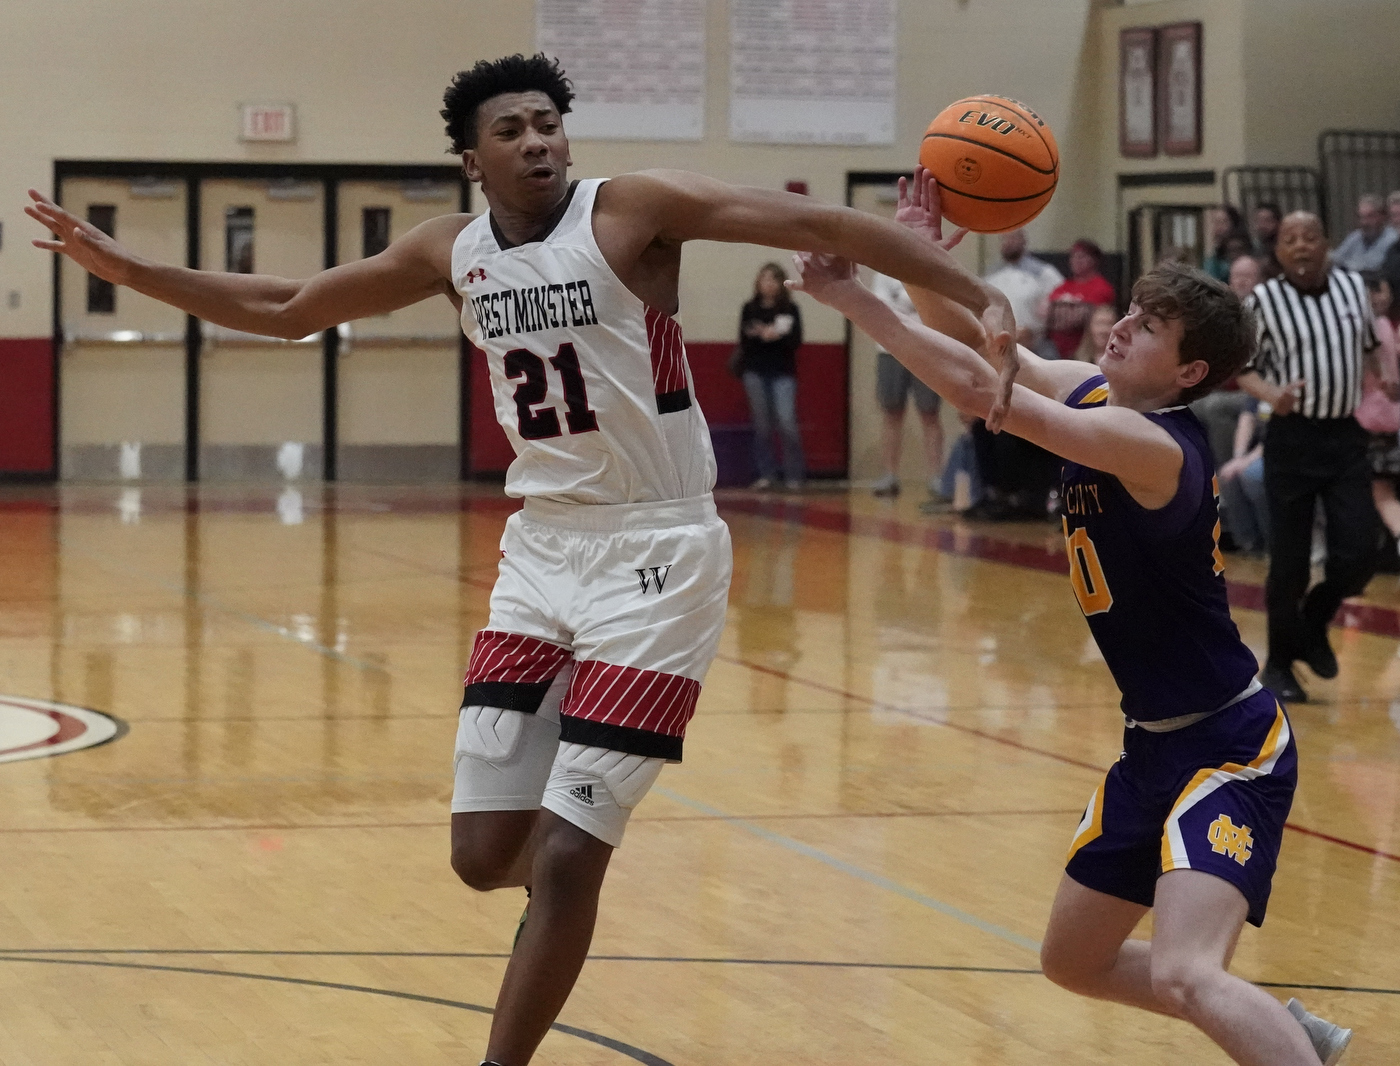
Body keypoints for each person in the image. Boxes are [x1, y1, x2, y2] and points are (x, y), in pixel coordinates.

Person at [26, 55, 1017, 1066]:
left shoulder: (633, 211)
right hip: (541, 550)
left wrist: (968, 286)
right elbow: (291, 304)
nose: (537, 139)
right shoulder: (449, 251)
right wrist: (132, 270)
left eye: (548, 122)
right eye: (512, 130)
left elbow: (814, 225)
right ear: (472, 160)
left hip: (659, 550)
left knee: (572, 853)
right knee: (481, 855)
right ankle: (568, 863)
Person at [789, 172, 1351, 1066]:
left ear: (1189, 372)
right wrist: (923, 259)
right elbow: (977, 343)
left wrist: (859, 294)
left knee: (1183, 973)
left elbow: (984, 393)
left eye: (1147, 328)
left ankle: (1264, 1032)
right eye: (1128, 311)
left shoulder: (1155, 446)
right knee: (1073, 961)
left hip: (1230, 744)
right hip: (1151, 744)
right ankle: (1278, 1031)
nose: (1118, 327)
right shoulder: (1098, 396)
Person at [1237, 211, 1381, 704]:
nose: (1301, 247)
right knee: (1291, 561)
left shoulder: (1352, 288)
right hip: (1292, 438)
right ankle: (1279, 663)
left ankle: (1314, 619)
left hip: (1344, 436)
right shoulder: (1263, 300)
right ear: (1277, 252)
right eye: (1290, 240)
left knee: (1361, 551)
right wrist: (1272, 395)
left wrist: (1383, 375)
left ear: (1328, 244)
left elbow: (1369, 345)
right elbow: (1245, 370)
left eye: (1310, 237)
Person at [867, 269, 946, 501]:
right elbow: (881, 307)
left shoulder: (926, 265)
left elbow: (931, 304)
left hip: (926, 348)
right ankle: (889, 475)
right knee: (892, 413)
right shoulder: (882, 269)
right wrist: (909, 300)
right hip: (890, 348)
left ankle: (936, 477)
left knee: (930, 412)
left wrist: (903, 300)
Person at [737, 262, 805, 490]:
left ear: (780, 284)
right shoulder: (749, 308)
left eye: (773, 279)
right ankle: (767, 473)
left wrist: (776, 335)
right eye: (764, 278)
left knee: (787, 424)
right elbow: (744, 341)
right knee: (762, 426)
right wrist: (759, 334)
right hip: (755, 372)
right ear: (758, 282)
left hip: (783, 373)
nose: (768, 284)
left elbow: (796, 341)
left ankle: (794, 475)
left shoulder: (790, 310)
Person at [1354, 272, 1400, 567]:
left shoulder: (1361, 329)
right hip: (1392, 417)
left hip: (1367, 419)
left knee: (1380, 493)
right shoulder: (1385, 325)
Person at [983, 227, 1064, 353]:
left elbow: (1062, 300)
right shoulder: (991, 275)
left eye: (1013, 238)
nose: (1009, 242)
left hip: (1034, 344)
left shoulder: (1044, 273)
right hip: (998, 342)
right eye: (1005, 239)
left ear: (1023, 241)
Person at [1046, 239, 1117, 357]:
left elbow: (1087, 319)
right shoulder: (1064, 286)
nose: (1076, 261)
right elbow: (1043, 312)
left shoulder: (1102, 287)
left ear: (1094, 260)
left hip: (1084, 351)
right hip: (1056, 349)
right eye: (1073, 257)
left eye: (1081, 257)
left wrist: (1059, 310)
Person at [1219, 399, 1270, 555]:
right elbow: (1247, 418)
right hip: (1260, 451)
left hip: (1283, 448)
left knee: (1252, 475)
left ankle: (1273, 542)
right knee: (1228, 475)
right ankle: (1249, 543)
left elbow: (1279, 432)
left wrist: (1246, 461)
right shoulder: (1256, 381)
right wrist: (1238, 458)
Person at [1333, 193, 1398, 273]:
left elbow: (1375, 267)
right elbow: (1335, 260)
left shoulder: (1393, 240)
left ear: (1382, 217)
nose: (1364, 222)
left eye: (1370, 216)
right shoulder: (1356, 236)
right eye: (1361, 217)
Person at [1202, 205, 1249, 282]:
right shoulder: (1212, 260)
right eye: (1216, 222)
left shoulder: (1247, 252)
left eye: (1223, 222)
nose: (1219, 227)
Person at [1252, 203, 1283, 279]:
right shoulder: (1253, 248)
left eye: (1267, 220)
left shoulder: (1283, 249)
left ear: (1277, 222)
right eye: (1259, 221)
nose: (1262, 225)